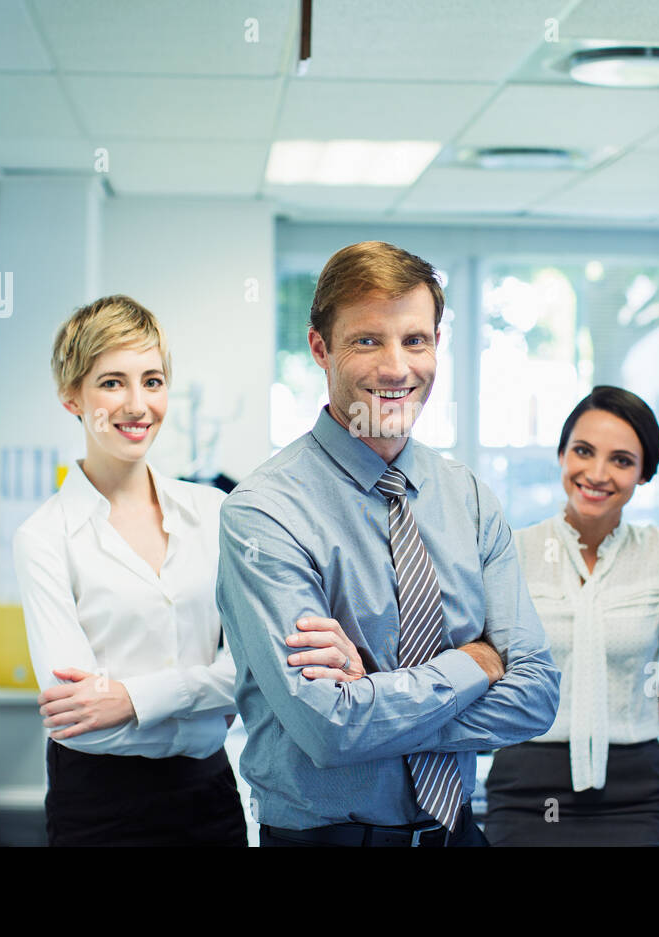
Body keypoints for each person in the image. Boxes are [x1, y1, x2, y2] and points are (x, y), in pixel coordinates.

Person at [215, 241, 561, 847]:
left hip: (457, 832)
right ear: (320, 347)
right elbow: (328, 731)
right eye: (367, 340)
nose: (397, 368)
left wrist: (374, 696)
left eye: (416, 340)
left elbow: (535, 698)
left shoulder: (469, 499)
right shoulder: (263, 514)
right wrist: (476, 661)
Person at [13, 295, 246, 846]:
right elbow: (76, 717)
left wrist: (131, 699)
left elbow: (254, 672)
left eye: (153, 380)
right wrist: (204, 695)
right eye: (113, 382)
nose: (138, 404)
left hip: (209, 792)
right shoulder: (44, 538)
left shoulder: (214, 514)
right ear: (72, 396)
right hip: (98, 807)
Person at [482, 386, 659, 846]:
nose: (597, 473)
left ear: (644, 474)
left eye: (621, 460)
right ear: (561, 455)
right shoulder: (511, 552)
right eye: (583, 451)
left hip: (634, 789)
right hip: (527, 783)